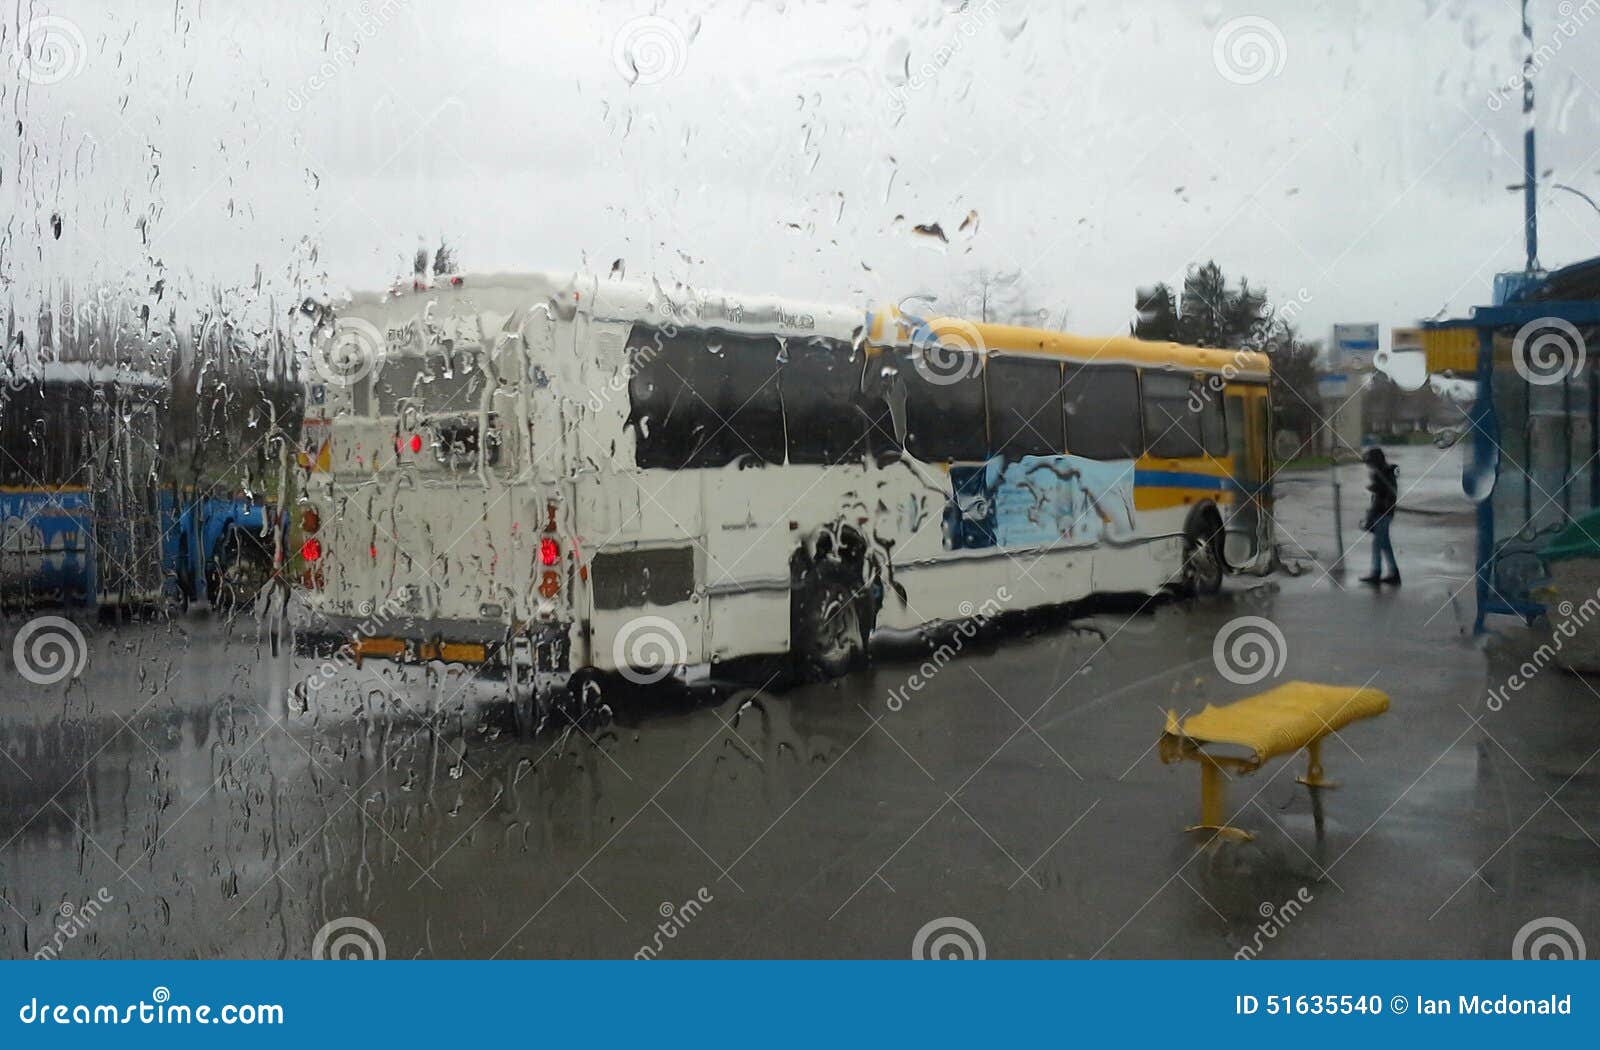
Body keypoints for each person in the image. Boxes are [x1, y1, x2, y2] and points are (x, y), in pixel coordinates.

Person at [1359, 447, 1400, 585]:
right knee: (1380, 544)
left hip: (1382, 512)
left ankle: (1386, 573)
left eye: (1370, 462)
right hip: (1384, 512)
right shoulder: (1386, 472)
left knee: (1381, 544)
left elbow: (1384, 492)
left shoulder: (1383, 473)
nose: (1369, 466)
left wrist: (1374, 488)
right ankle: (1383, 572)